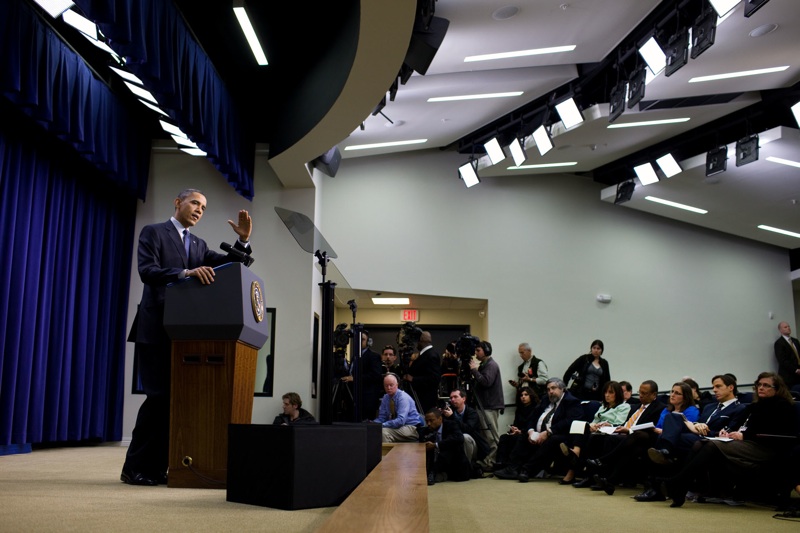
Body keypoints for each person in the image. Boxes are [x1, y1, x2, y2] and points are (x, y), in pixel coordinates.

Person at [121, 188, 253, 486]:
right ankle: (133, 467)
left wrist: (243, 240)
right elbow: (147, 271)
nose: (199, 210)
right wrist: (186, 273)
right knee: (158, 399)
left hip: (184, 333)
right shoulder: (153, 232)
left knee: (175, 402)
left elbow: (232, 265)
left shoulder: (199, 243)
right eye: (195, 202)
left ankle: (158, 467)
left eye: (204, 207)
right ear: (177, 202)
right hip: (155, 329)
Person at [663, 372, 797, 508]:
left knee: (710, 445)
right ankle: (683, 485)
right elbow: (741, 426)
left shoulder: (782, 406)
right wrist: (730, 433)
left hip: (765, 447)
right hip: (745, 443)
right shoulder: (755, 405)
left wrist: (744, 436)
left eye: (766, 385)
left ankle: (679, 482)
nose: (761, 388)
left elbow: (776, 432)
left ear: (777, 388)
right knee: (700, 443)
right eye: (759, 384)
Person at [636, 374, 746, 502]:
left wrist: (708, 430)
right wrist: (696, 424)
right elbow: (697, 423)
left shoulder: (739, 408)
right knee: (673, 417)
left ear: (731, 387)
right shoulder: (710, 406)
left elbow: (727, 433)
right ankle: (664, 456)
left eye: (718, 386)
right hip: (694, 435)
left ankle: (657, 483)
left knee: (660, 440)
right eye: (713, 387)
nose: (714, 390)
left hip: (711, 440)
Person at [589, 381, 699, 495]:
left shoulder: (691, 410)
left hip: (671, 440)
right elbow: (658, 426)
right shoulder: (667, 410)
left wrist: (659, 430)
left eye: (677, 393)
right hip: (656, 436)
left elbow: (685, 428)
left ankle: (603, 462)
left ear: (685, 397)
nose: (672, 395)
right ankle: (610, 481)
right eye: (672, 391)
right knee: (635, 447)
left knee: (638, 436)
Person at [574, 380, 663, 489]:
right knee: (594, 438)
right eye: (639, 392)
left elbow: (649, 428)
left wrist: (627, 430)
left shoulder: (659, 408)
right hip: (624, 433)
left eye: (644, 393)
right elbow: (625, 422)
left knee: (610, 440)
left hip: (640, 438)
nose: (640, 396)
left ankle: (603, 468)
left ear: (654, 394)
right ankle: (590, 477)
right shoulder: (636, 407)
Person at [493, 378, 583, 482]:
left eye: (553, 388)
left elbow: (570, 421)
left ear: (562, 389)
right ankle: (512, 468)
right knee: (523, 436)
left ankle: (527, 470)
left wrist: (548, 432)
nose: (550, 392)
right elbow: (532, 417)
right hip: (540, 433)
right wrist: (531, 431)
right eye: (548, 389)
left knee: (552, 440)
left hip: (560, 434)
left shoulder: (571, 401)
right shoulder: (545, 400)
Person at [560, 381, 631, 484]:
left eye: (610, 392)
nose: (607, 395)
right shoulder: (603, 406)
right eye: (605, 392)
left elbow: (619, 423)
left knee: (589, 437)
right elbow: (595, 421)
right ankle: (575, 454)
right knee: (578, 425)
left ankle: (575, 457)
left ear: (618, 393)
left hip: (610, 432)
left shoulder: (624, 406)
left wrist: (607, 425)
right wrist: (593, 426)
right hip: (597, 430)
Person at [468, 340, 504, 472]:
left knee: (491, 436)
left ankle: (492, 462)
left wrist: (474, 371)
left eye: (478, 350)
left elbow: (486, 382)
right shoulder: (485, 365)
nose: (476, 353)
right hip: (484, 405)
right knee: (485, 436)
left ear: (486, 351)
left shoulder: (491, 365)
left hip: (489, 406)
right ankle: (487, 459)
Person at [418, 408, 472, 485]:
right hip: (436, 461)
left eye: (431, 420)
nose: (429, 424)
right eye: (427, 421)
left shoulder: (451, 425)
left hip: (455, 463)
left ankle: (434, 473)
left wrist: (436, 445)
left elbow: (459, 438)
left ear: (440, 419)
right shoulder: (425, 431)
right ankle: (435, 473)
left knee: (450, 447)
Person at [442, 388, 490, 471]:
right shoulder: (449, 412)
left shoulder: (472, 413)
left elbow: (467, 429)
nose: (452, 400)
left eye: (455, 397)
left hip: (473, 446)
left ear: (463, 399)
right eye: (451, 398)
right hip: (456, 442)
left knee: (465, 436)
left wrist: (452, 417)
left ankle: (466, 467)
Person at [495, 387, 538, 472]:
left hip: (529, 433)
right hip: (519, 432)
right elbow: (516, 423)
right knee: (503, 437)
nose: (523, 397)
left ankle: (512, 465)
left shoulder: (536, 408)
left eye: (526, 395)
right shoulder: (519, 409)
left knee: (517, 438)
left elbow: (534, 425)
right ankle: (500, 463)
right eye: (521, 395)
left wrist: (521, 431)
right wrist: (514, 429)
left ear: (531, 396)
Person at [372, 373, 424, 442]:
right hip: (397, 426)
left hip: (411, 427)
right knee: (372, 430)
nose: (389, 388)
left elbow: (400, 421)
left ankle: (388, 453)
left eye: (391, 385)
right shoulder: (385, 398)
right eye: (386, 386)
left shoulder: (403, 397)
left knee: (383, 432)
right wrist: (372, 424)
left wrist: (382, 425)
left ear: (397, 385)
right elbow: (382, 417)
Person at [403, 331, 442, 413]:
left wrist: (413, 379)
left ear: (421, 341)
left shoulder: (431, 355)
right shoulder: (424, 355)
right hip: (419, 398)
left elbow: (434, 378)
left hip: (425, 400)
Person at [356, 331, 384, 420]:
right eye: (358, 339)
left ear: (368, 342)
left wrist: (355, 378)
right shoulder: (355, 357)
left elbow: (376, 375)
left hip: (368, 398)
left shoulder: (373, 356)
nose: (360, 342)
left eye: (363, 339)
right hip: (356, 397)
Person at [774, 321, 800, 391]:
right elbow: (782, 360)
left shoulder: (795, 341)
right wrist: (795, 370)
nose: (788, 328)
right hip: (788, 376)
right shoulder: (779, 343)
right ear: (780, 330)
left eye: (789, 326)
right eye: (785, 327)